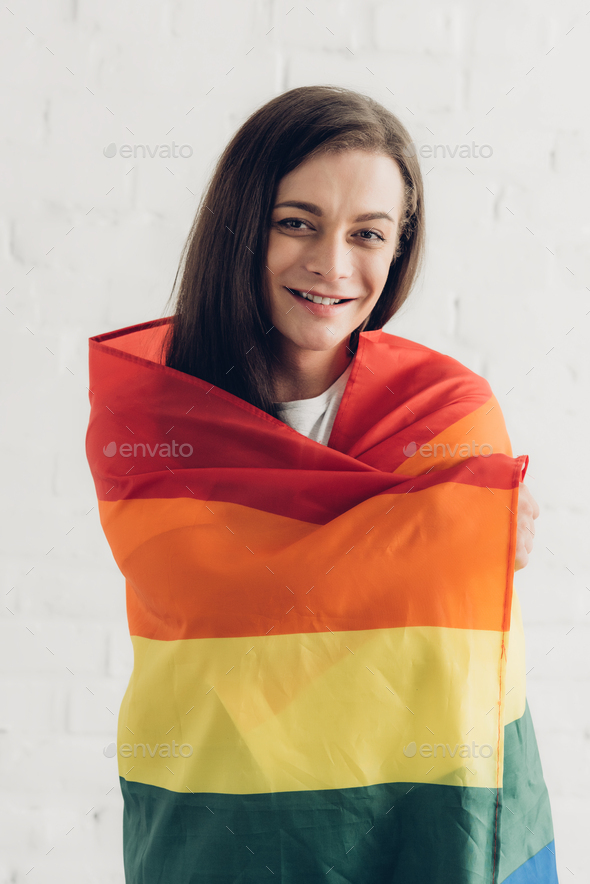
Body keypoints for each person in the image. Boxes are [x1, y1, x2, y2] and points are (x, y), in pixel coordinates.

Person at [86, 85, 557, 883]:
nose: (332, 266)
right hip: (218, 811)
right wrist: (438, 539)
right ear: (241, 227)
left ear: (399, 248)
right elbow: (213, 602)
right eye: (296, 222)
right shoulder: (154, 412)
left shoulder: (448, 413)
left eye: (367, 234)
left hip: (416, 808)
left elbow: (444, 644)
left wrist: (463, 545)